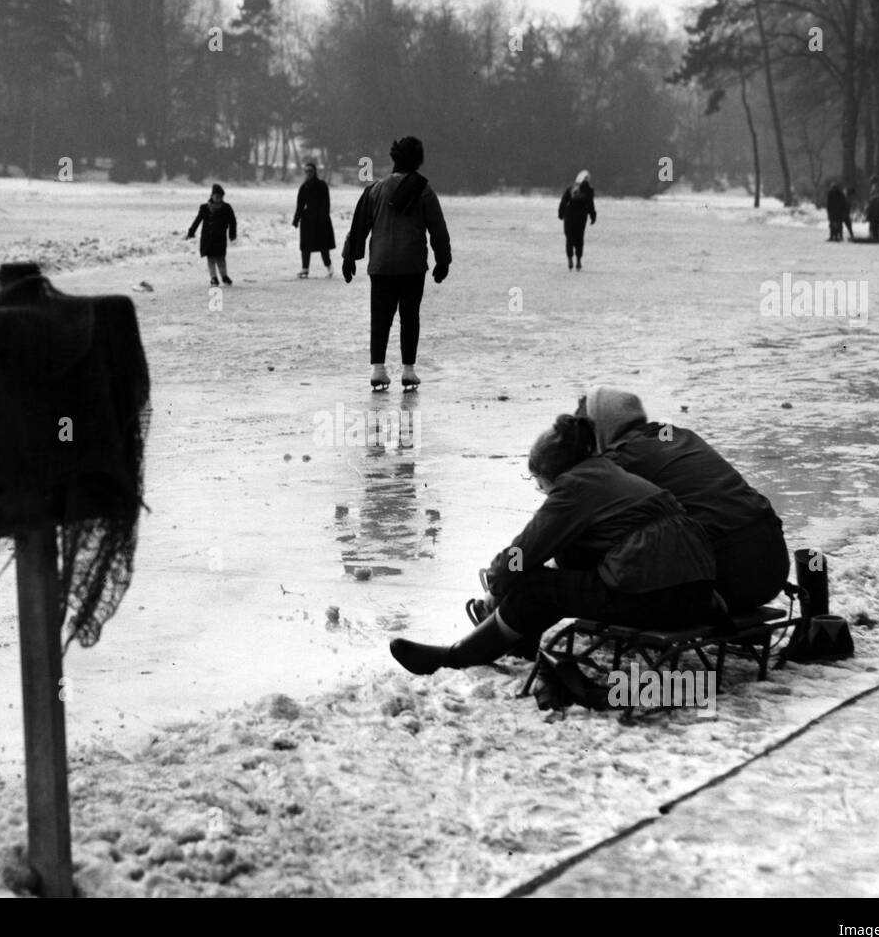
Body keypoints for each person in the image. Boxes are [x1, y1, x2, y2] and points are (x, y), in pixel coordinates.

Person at [388, 413, 717, 676]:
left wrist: (497, 584)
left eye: (539, 484)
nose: (541, 492)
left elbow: (522, 554)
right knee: (556, 576)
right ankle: (516, 640)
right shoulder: (611, 474)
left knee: (535, 587)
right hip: (698, 598)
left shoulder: (575, 487)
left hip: (658, 599)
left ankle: (457, 656)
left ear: (552, 475)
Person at [577, 386, 789, 612]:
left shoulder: (618, 461)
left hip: (724, 579)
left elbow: (582, 526)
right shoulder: (679, 435)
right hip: (774, 565)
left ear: (600, 427)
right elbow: (662, 446)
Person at [343, 135, 452, 392]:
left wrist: (350, 256)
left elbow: (359, 226)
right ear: (419, 160)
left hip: (381, 266)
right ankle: (408, 371)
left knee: (380, 317)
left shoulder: (376, 189)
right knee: (409, 317)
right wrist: (443, 260)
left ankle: (378, 370)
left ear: (394, 158)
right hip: (412, 265)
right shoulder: (424, 190)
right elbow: (438, 229)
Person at [186, 183, 237, 286]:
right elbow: (198, 220)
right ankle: (213, 278)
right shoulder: (204, 208)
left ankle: (224, 276)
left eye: (220, 197)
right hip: (208, 238)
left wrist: (232, 234)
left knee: (221, 258)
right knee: (211, 258)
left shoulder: (227, 208)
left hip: (220, 238)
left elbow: (232, 221)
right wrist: (191, 231)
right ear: (212, 196)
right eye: (216, 196)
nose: (218, 199)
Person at [293, 161, 336, 278]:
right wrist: (296, 219)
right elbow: (300, 205)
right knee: (306, 246)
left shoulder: (322, 185)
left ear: (314, 172)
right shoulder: (304, 186)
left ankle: (329, 267)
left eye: (310, 171)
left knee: (323, 246)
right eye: (306, 171)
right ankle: (305, 269)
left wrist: (323, 217)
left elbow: (326, 204)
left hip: (321, 220)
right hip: (308, 221)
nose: (308, 173)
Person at [557, 169, 597, 268]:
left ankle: (570, 259)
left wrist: (561, 213)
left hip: (570, 215)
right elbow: (590, 204)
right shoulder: (589, 190)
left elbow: (563, 201)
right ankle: (578, 260)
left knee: (569, 237)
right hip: (581, 216)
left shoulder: (570, 188)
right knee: (579, 238)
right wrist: (593, 216)